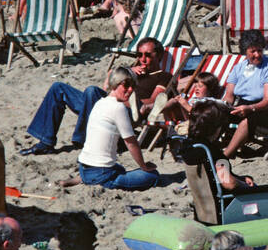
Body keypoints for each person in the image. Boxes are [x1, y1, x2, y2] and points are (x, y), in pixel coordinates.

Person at [22, 37, 169, 156]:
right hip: (103, 105)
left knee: (91, 91)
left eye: (148, 55)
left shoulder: (164, 76)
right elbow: (107, 86)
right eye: (139, 55)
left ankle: (82, 139)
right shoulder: (132, 70)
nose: (142, 59)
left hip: (126, 112)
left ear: (160, 55)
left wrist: (128, 101)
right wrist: (128, 71)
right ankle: (46, 142)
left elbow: (154, 102)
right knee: (58, 88)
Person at [76, 67, 162, 190]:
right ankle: (90, 181)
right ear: (115, 84)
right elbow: (131, 143)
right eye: (126, 85)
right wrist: (144, 167)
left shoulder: (100, 102)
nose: (130, 89)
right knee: (153, 176)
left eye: (133, 86)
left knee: (120, 168)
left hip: (84, 167)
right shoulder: (118, 108)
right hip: (102, 174)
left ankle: (82, 179)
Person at [221, 30, 268, 157]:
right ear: (245, 52)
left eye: (260, 50)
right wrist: (224, 107)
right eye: (253, 51)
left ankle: (226, 155)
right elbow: (229, 96)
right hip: (244, 105)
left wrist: (250, 108)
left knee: (247, 119)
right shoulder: (238, 68)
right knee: (214, 113)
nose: (257, 54)